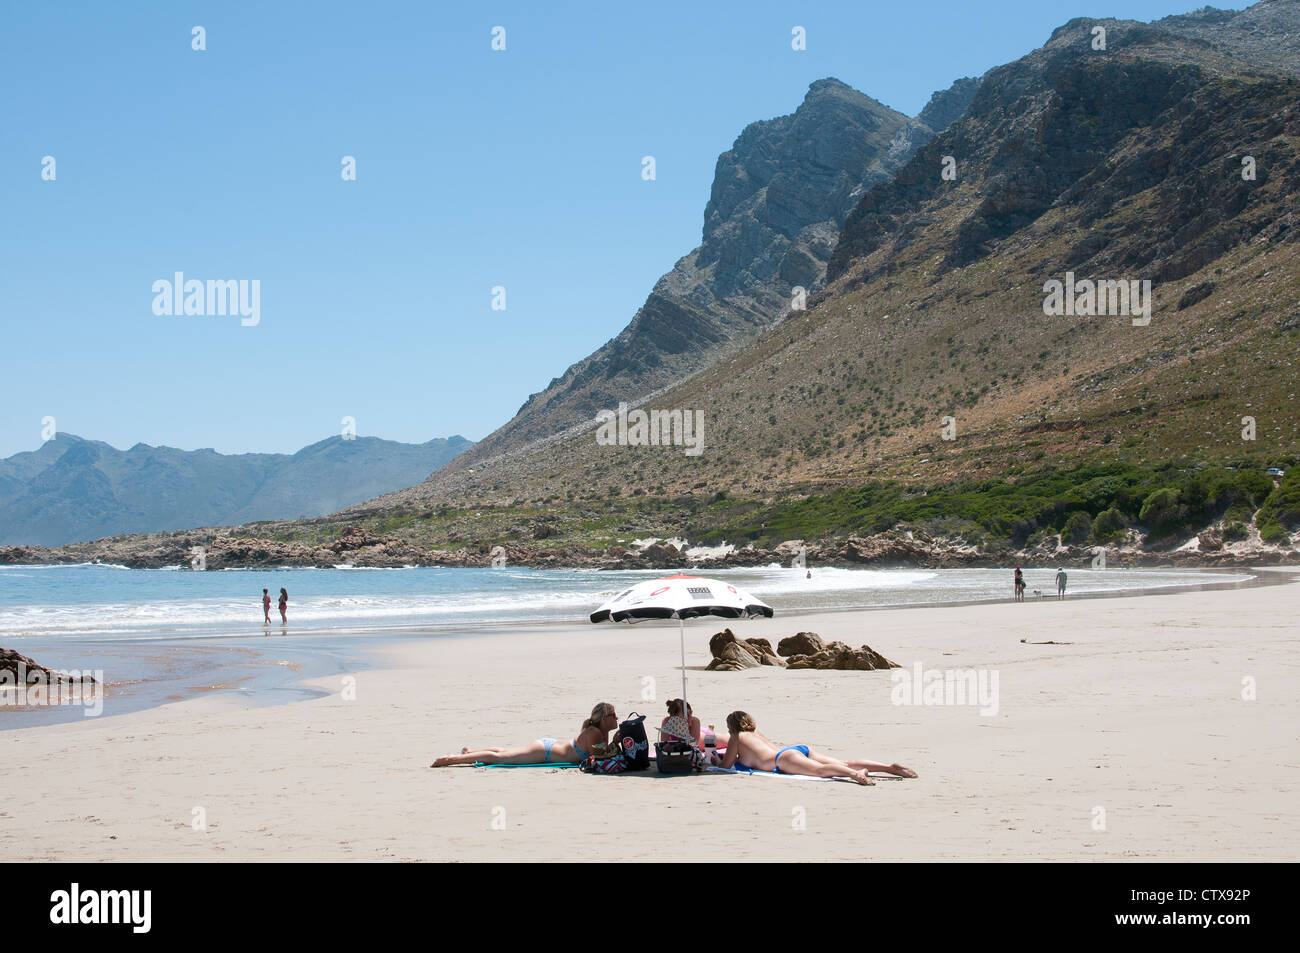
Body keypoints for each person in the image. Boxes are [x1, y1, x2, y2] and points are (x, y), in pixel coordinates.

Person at [714, 711, 916, 785]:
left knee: (820, 772)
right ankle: (890, 768)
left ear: (731, 726)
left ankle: (855, 775)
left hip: (782, 760)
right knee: (843, 762)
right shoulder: (757, 733)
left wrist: (715, 761)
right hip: (795, 750)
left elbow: (727, 764)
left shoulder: (736, 736)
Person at [430, 702, 620, 767]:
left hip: (549, 746)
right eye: (613, 715)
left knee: (504, 751)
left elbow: (604, 753)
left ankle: (470, 752)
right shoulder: (594, 732)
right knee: (500, 758)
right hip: (544, 751)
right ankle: (450, 759)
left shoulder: (600, 731)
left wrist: (615, 742)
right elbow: (600, 757)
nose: (617, 717)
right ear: (604, 719)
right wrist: (617, 742)